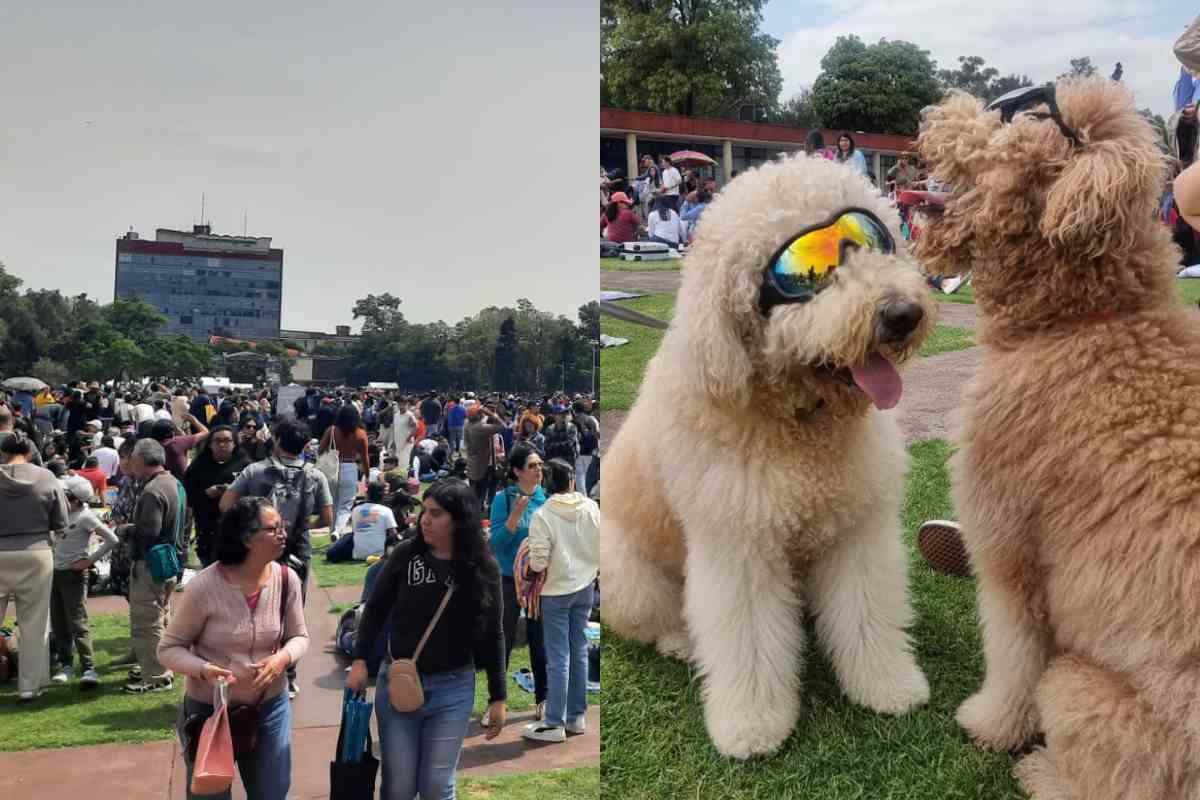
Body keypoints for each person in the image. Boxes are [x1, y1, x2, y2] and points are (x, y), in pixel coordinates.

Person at [346, 480, 507, 800]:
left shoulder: (482, 568)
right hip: (400, 682)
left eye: (436, 513)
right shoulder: (406, 555)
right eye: (423, 511)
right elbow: (375, 610)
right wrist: (361, 660)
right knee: (399, 787)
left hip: (453, 688)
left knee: (437, 785)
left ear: (459, 520)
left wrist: (498, 697)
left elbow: (494, 633)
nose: (424, 520)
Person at [159, 497, 309, 800]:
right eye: (273, 528)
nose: (283, 534)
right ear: (246, 538)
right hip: (210, 711)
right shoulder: (204, 587)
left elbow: (300, 637)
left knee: (272, 792)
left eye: (283, 526)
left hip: (269, 706)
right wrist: (203, 670)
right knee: (210, 794)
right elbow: (168, 648)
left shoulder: (286, 578)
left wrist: (282, 658)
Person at [221, 417, 333, 698]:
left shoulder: (254, 470)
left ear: (278, 440)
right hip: (297, 551)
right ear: (305, 445)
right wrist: (294, 527)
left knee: (250, 611)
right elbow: (327, 518)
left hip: (256, 551)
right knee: (291, 614)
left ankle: (248, 668)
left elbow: (226, 505)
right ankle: (288, 674)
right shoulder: (315, 475)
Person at [521, 458, 600, 742]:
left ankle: (554, 721)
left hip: (555, 591)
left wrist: (528, 572)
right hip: (585, 585)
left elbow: (539, 563)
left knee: (558, 656)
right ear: (572, 481)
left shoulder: (543, 516)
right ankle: (576, 717)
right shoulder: (592, 507)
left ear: (547, 484)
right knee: (578, 650)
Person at [0, 433, 69, 700]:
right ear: (29, 452)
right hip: (36, 552)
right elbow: (61, 520)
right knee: (34, 623)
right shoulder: (45, 477)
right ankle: (29, 687)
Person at [488, 443, 549, 718]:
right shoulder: (503, 499)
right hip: (508, 578)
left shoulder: (544, 499)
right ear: (517, 471)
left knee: (540, 640)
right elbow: (495, 545)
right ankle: (496, 702)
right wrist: (514, 515)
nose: (538, 471)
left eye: (539, 465)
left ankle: (543, 699)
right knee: (504, 639)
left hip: (537, 581)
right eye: (532, 466)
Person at [119, 438, 183, 693]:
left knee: (147, 621)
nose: (130, 463)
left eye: (133, 458)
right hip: (169, 561)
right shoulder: (174, 483)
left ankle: (157, 676)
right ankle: (162, 667)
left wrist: (126, 530)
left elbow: (149, 532)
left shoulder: (152, 490)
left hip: (151, 561)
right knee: (162, 616)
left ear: (142, 460)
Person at [49, 476, 119, 688]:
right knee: (59, 622)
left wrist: (88, 560)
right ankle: (66, 666)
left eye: (64, 496)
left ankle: (89, 668)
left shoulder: (85, 517)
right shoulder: (59, 515)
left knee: (77, 622)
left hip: (74, 576)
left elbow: (112, 539)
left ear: (75, 499)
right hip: (55, 573)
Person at [184, 425, 249, 567]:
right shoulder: (199, 466)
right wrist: (206, 494)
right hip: (207, 529)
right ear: (210, 444)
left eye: (227, 440)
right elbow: (188, 497)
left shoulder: (245, 466)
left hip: (237, 531)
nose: (222, 445)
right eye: (217, 441)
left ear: (234, 443)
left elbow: (253, 498)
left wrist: (232, 492)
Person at [319, 404, 370, 533]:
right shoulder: (361, 434)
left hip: (331, 469)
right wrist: (367, 475)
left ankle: (332, 531)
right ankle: (337, 530)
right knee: (346, 505)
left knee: (333, 503)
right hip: (350, 467)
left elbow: (320, 450)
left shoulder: (331, 430)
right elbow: (365, 457)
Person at [324, 483, 398, 563]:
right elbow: (393, 534)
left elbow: (355, 531)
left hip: (357, 554)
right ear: (382, 496)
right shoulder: (386, 510)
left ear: (367, 494)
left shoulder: (356, 509)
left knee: (349, 536)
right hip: (379, 554)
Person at [464, 405, 506, 509]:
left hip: (474, 462)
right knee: (482, 490)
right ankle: (480, 510)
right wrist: (491, 413)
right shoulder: (480, 427)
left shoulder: (467, 424)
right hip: (483, 464)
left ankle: (478, 507)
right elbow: (503, 426)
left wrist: (486, 413)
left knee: (475, 489)